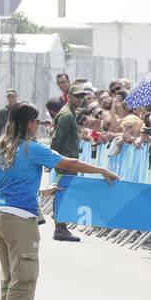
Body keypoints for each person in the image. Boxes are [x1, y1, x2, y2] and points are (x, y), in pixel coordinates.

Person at [0, 102, 119, 300]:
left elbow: (9, 184)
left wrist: (41, 191)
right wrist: (101, 170)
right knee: (24, 280)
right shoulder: (32, 148)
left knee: (9, 281)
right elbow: (69, 163)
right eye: (36, 121)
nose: (39, 125)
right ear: (29, 123)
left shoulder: (2, 147)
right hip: (19, 220)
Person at [47, 85, 90, 241]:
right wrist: (50, 159)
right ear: (69, 96)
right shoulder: (66, 115)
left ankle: (61, 226)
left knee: (64, 192)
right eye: (77, 96)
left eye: (81, 97)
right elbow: (57, 138)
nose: (80, 99)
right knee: (63, 192)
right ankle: (60, 228)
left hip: (68, 160)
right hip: (65, 161)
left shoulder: (70, 113)